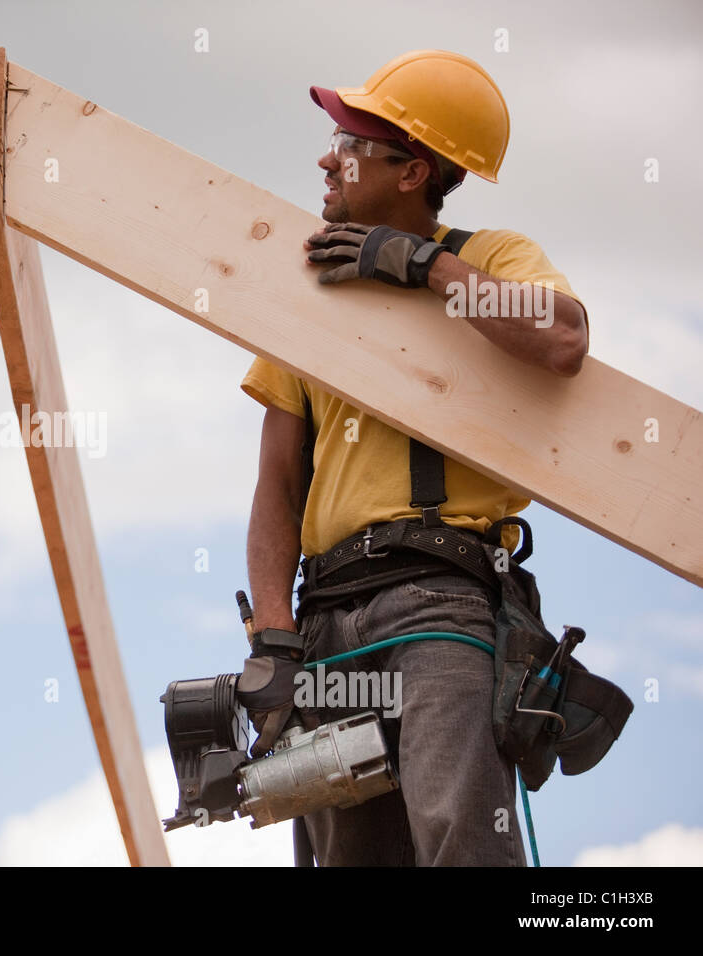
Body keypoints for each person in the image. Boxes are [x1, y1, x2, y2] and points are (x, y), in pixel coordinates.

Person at [241, 50, 589, 866]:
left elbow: (564, 338)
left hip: (439, 603)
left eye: (349, 141)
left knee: (459, 839)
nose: (328, 157)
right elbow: (277, 487)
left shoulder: (488, 256)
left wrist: (429, 267)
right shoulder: (309, 293)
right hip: (326, 616)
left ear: (412, 171)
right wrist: (273, 638)